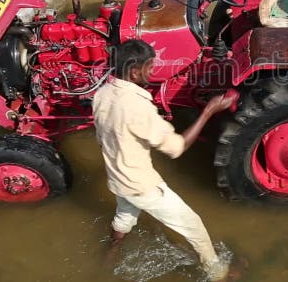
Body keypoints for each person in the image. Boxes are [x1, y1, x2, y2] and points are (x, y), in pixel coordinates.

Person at [93, 40, 236, 281]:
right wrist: (208, 111)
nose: (152, 72)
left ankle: (110, 253)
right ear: (135, 72)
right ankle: (217, 272)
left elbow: (101, 139)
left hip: (117, 179)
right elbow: (176, 148)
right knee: (194, 226)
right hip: (141, 186)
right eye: (150, 67)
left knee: (124, 217)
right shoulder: (138, 107)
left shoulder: (102, 94)